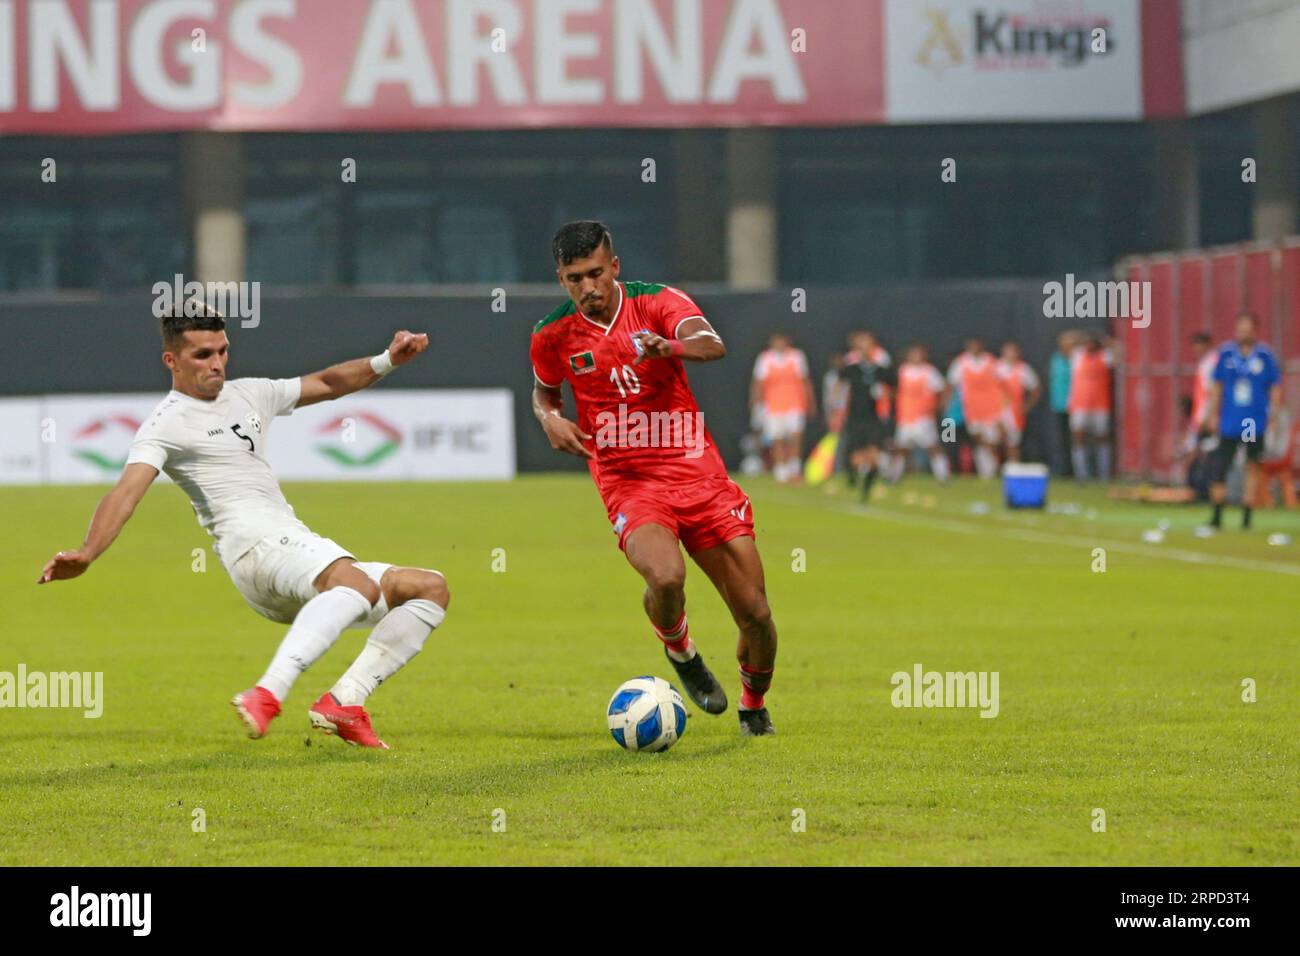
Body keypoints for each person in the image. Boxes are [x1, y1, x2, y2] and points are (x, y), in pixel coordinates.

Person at [37, 302, 446, 749]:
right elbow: (125, 494)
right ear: (170, 361)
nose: (216, 364)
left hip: (289, 548)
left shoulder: (250, 393)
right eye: (202, 355)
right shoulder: (164, 425)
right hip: (254, 551)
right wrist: (88, 552)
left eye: (222, 351)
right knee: (354, 583)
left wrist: (387, 361)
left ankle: (346, 701)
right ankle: (267, 693)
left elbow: (328, 384)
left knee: (429, 588)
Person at [530, 221, 778, 736]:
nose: (588, 288)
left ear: (614, 267)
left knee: (754, 614)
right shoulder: (550, 334)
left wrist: (670, 348)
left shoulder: (658, 302)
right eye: (574, 278)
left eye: (596, 273)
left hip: (698, 473)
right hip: (628, 480)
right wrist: (549, 419)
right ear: (561, 278)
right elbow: (545, 393)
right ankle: (680, 649)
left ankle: (752, 704)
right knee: (664, 576)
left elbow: (711, 344)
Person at [1202, 313, 1282, 530]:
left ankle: (1247, 514)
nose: (1243, 332)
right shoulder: (1226, 353)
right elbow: (1217, 387)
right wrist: (1211, 415)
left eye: (1247, 328)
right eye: (1240, 328)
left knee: (1252, 465)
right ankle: (1217, 513)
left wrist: (1273, 415)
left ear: (1255, 330)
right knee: (1220, 465)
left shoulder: (1264, 356)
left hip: (1252, 422)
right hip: (1229, 421)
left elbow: (1274, 387)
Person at [838, 331, 896, 500]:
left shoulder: (881, 370)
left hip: (873, 419)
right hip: (854, 418)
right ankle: (854, 476)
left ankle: (866, 490)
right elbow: (840, 389)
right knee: (856, 458)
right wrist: (837, 409)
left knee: (873, 454)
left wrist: (885, 396)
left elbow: (894, 390)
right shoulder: (851, 369)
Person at [750, 333, 815, 483]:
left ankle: (794, 469)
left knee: (795, 437)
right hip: (773, 406)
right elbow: (758, 383)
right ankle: (781, 471)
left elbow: (805, 380)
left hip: (795, 404)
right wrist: (756, 402)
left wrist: (810, 401)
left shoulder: (797, 357)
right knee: (777, 439)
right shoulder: (765, 359)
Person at [889, 344, 950, 482]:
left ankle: (943, 475)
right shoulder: (902, 371)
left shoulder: (929, 372)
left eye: (919, 354)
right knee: (901, 448)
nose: (916, 357)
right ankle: (894, 476)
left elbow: (942, 389)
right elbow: (895, 390)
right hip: (905, 416)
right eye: (913, 354)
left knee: (932, 447)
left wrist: (938, 406)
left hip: (923, 417)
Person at [947, 338, 1002, 478]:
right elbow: (951, 384)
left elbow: (1001, 382)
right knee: (975, 438)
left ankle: (994, 467)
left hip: (992, 407)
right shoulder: (961, 362)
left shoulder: (991, 361)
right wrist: (947, 405)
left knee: (993, 439)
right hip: (971, 409)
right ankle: (986, 470)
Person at [1068, 333, 1115, 481]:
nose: (1089, 346)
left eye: (1092, 343)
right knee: (1078, 437)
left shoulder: (1105, 357)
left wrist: (1105, 342)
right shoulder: (1077, 356)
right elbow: (1067, 341)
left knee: (1101, 437)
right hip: (1080, 404)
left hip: (1100, 404)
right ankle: (1081, 474)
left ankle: (1103, 473)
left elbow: (1119, 351)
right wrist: (1081, 339)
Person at [996, 341, 1042, 464]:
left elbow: (1036, 389)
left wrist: (1027, 406)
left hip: (1015, 411)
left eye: (1013, 352)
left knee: (1012, 443)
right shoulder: (996, 368)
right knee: (995, 439)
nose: (1011, 355)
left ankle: (1013, 467)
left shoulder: (1024, 369)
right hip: (996, 410)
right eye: (1008, 351)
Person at [1048, 331, 1077, 476]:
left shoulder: (1078, 359)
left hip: (1076, 404)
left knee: (1076, 439)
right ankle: (1062, 470)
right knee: (1061, 439)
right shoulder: (1056, 359)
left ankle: (1077, 471)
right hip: (1059, 404)